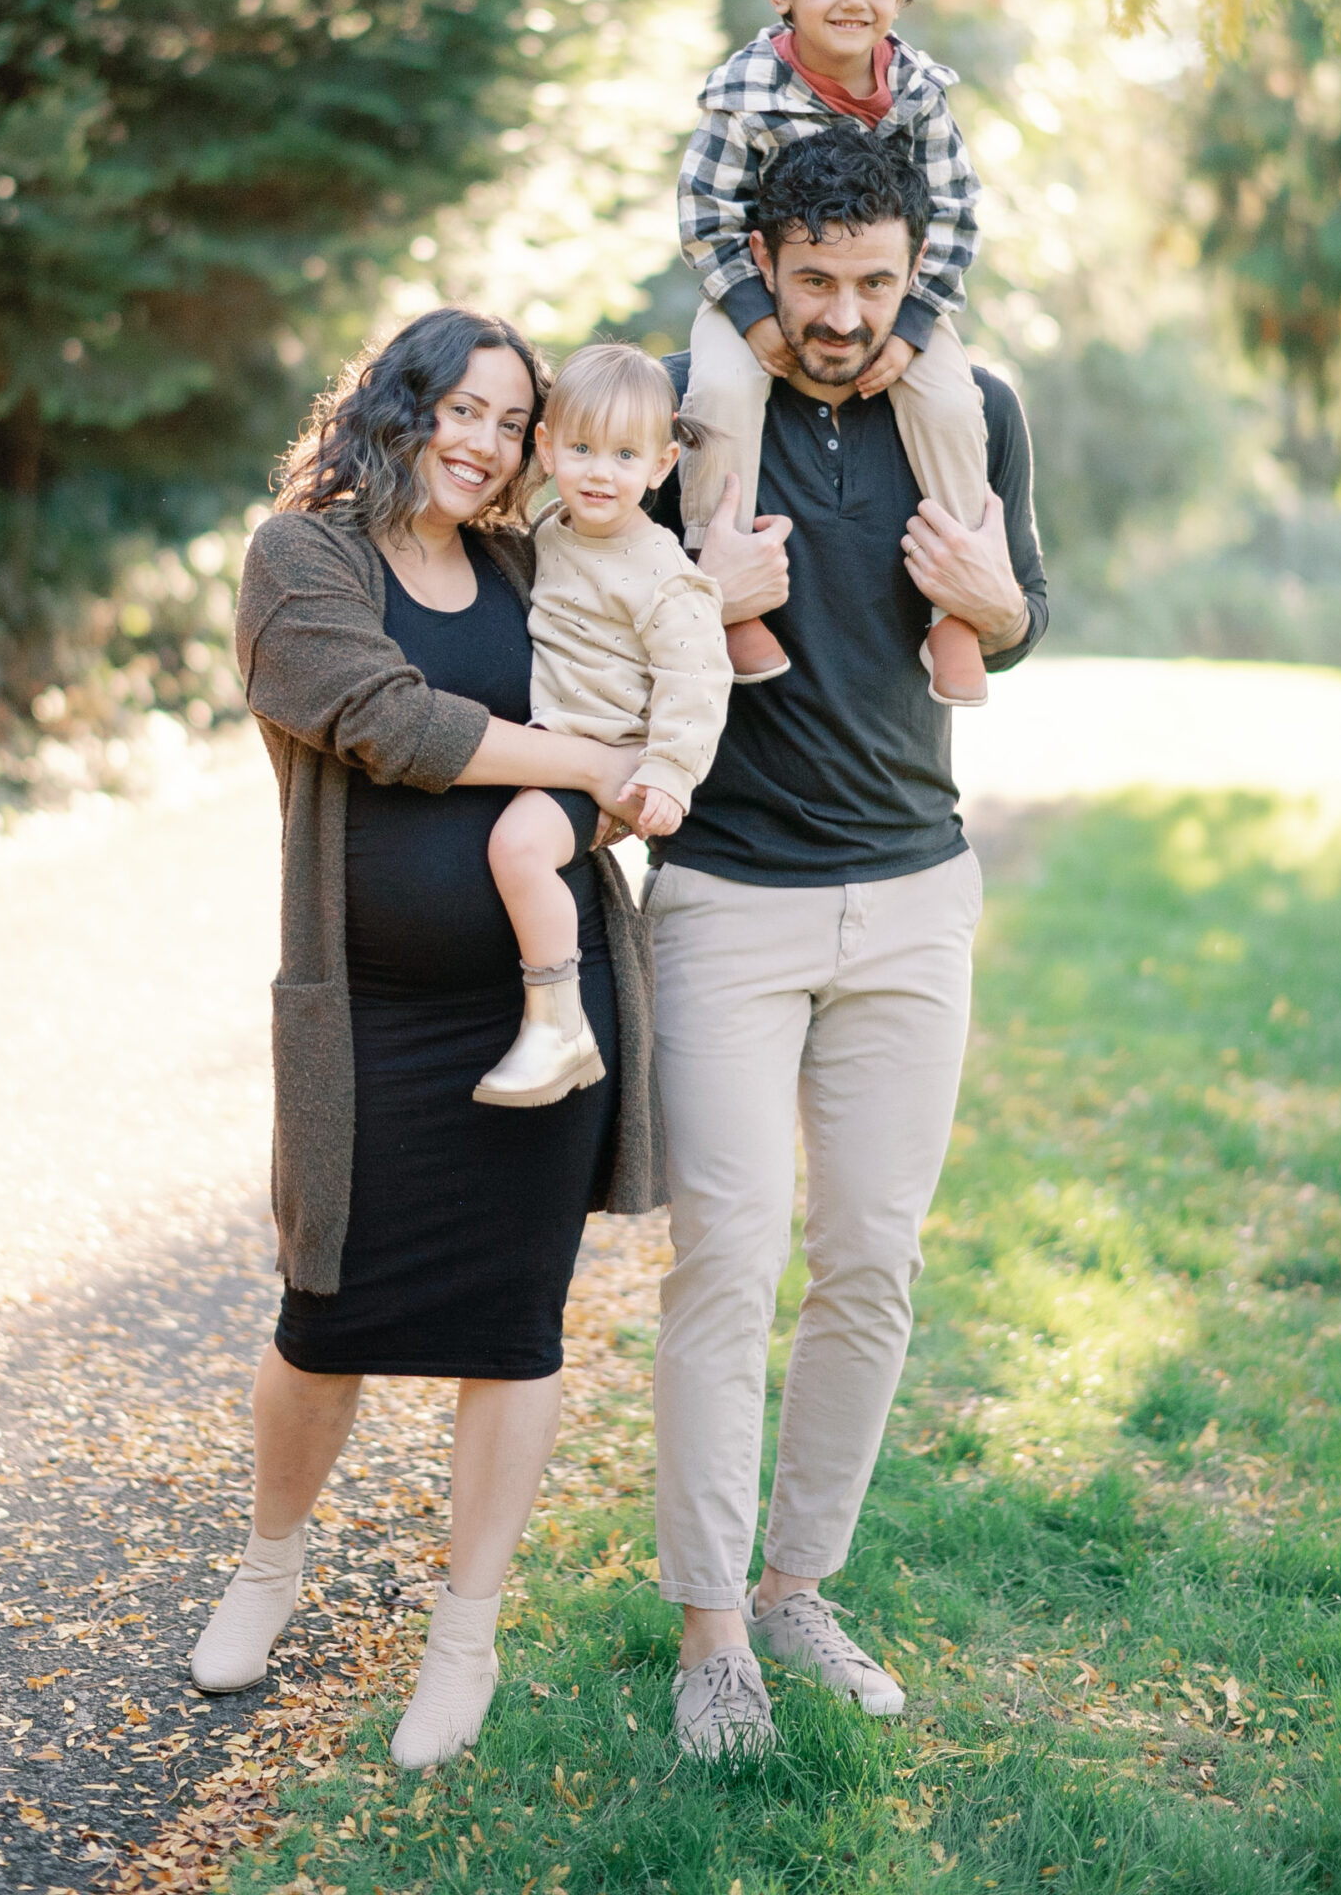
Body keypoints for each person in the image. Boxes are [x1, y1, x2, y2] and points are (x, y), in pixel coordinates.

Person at [189, 307, 664, 1772]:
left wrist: (634, 751)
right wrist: (590, 760)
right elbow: (381, 718)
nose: (484, 439)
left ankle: (466, 1634)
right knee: (323, 1310)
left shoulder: (535, 568)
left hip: (542, 1011)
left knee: (515, 1333)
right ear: (396, 407)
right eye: (458, 406)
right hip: (370, 1018)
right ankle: (270, 1570)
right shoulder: (302, 559)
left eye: (511, 421)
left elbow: (642, 677)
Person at [644, 125, 1048, 1761]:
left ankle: (800, 1584)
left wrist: (992, 600)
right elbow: (587, 608)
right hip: (726, 895)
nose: (840, 312)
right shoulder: (690, 416)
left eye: (873, 281)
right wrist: (698, 580)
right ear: (762, 259)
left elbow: (1021, 621)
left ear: (912, 266)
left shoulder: (973, 411)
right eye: (813, 280)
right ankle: (710, 1634)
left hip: (910, 892)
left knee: (871, 1261)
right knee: (729, 1260)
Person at [675, 0, 991, 706]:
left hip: (894, 302)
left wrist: (917, 324)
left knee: (956, 406)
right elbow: (705, 213)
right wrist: (751, 315)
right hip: (757, 289)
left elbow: (956, 210)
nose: (854, 1)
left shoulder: (920, 97)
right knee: (718, 392)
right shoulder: (743, 94)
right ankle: (727, 574)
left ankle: (954, 601)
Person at [477, 344, 732, 1109]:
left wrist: (667, 774)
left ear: (660, 466)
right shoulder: (549, 532)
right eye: (581, 448)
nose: (599, 472)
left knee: (518, 849)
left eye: (624, 456)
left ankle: (559, 1025)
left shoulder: (662, 571)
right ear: (547, 448)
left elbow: (698, 678)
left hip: (608, 757)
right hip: (552, 750)